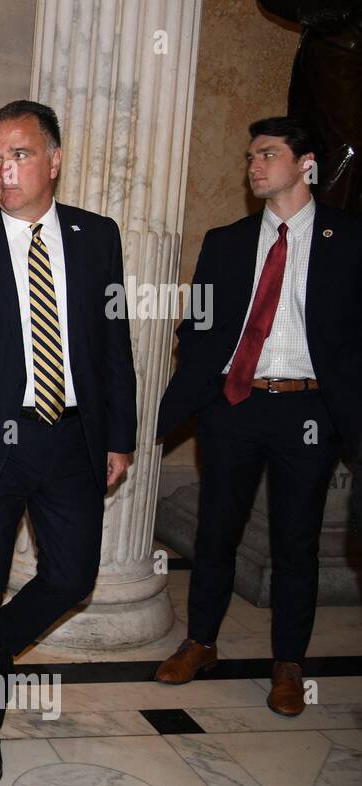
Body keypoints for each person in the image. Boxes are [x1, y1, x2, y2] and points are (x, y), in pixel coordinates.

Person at [0, 100, 136, 783]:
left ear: (54, 161)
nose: (5, 171)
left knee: (72, 576)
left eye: (20, 155)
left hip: (71, 438)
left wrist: (120, 435)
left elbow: (114, 344)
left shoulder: (98, 238)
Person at [154, 117, 362, 715]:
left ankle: (288, 664)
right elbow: (195, 329)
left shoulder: (348, 241)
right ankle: (200, 642)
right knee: (215, 532)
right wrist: (190, 401)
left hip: (310, 411)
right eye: (251, 156)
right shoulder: (227, 241)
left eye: (268, 154)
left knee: (296, 543)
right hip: (236, 407)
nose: (254, 165)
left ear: (307, 165)